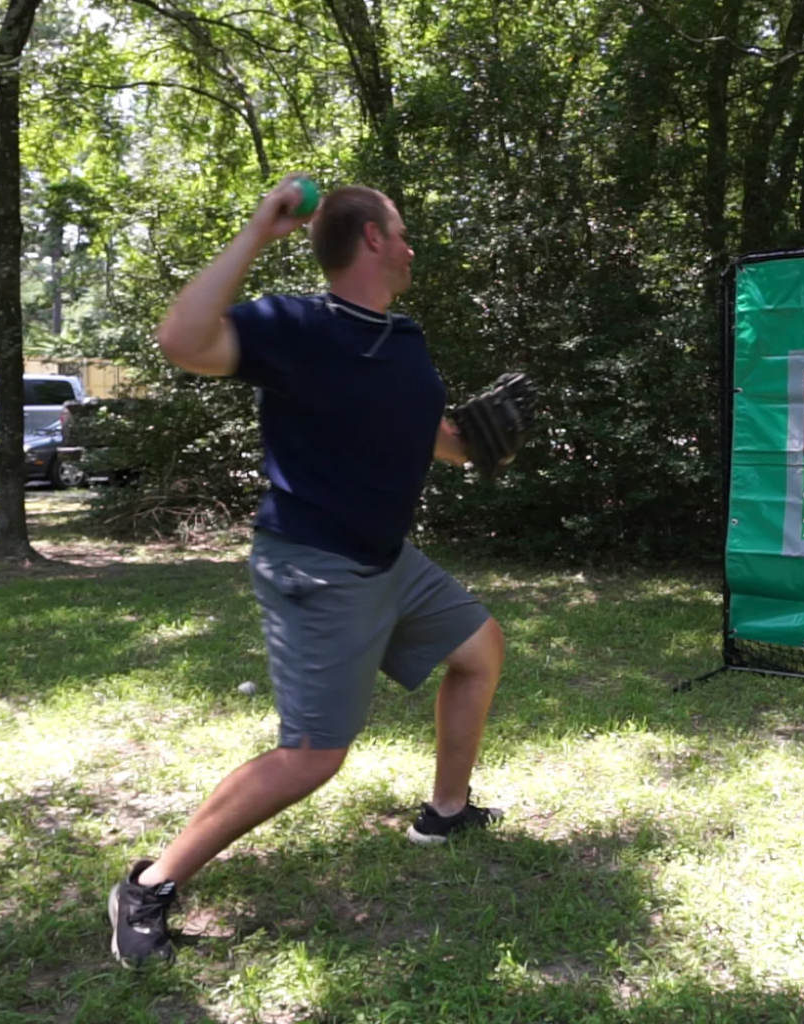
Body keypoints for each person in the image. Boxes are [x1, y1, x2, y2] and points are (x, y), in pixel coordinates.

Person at [107, 176, 506, 967]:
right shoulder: (295, 325)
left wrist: (480, 443)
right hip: (317, 564)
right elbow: (183, 340)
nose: (411, 246)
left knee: (480, 648)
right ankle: (149, 884)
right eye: (401, 231)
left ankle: (446, 811)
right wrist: (259, 230)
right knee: (314, 756)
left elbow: (433, 436)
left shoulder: (403, 339)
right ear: (372, 239)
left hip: (387, 556)